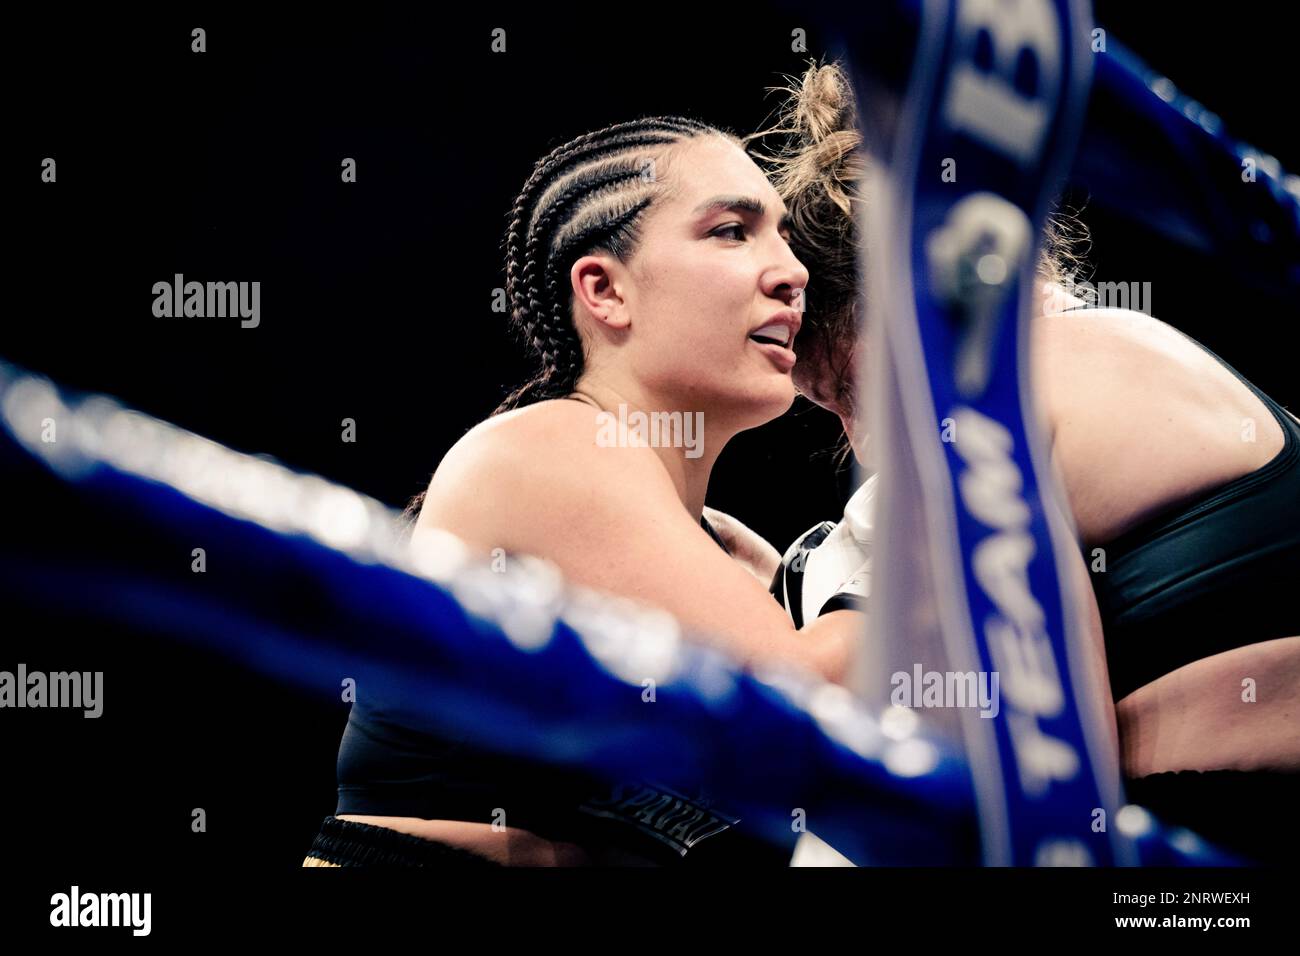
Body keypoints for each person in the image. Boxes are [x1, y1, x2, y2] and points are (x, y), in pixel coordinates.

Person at [737, 60, 1300, 863]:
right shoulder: (1116, 347)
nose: (858, 441)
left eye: (844, 392)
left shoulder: (993, 395)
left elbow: (1047, 772)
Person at [305, 114, 870, 867]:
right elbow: (801, 710)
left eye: (785, 239)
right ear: (604, 289)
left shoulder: (723, 554)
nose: (790, 272)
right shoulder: (542, 451)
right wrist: (953, 509)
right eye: (732, 231)